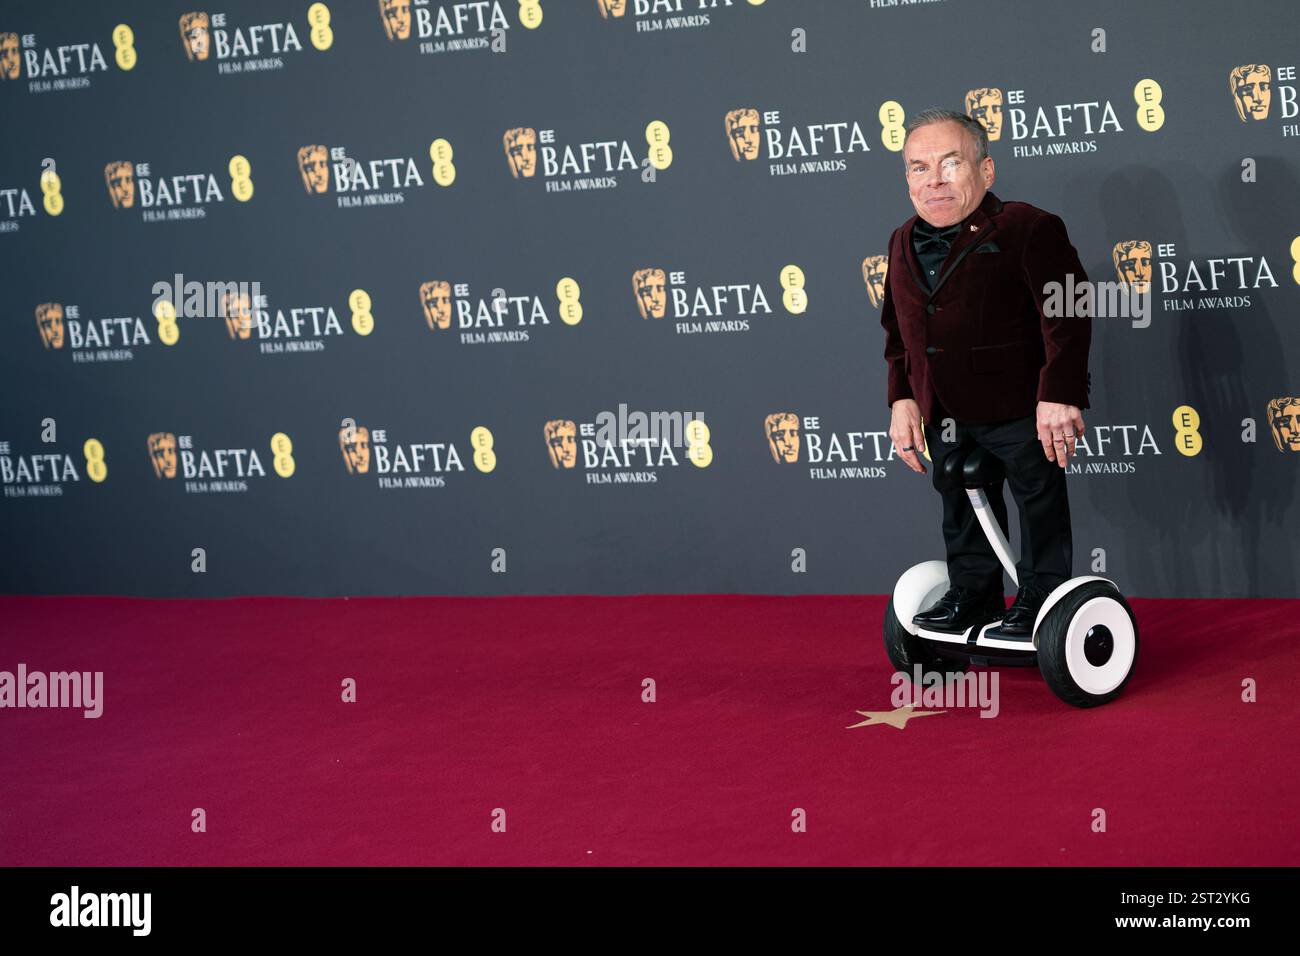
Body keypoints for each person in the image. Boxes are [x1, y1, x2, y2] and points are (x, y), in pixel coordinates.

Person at [880, 108, 1091, 639]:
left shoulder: (1029, 227)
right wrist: (902, 399)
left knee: (1036, 504)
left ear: (986, 170)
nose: (934, 180)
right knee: (958, 501)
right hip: (943, 412)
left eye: (951, 163)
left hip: (1021, 406)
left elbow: (1067, 312)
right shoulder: (901, 240)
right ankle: (972, 595)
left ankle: (1042, 597)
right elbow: (897, 332)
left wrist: (1059, 393)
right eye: (918, 167)